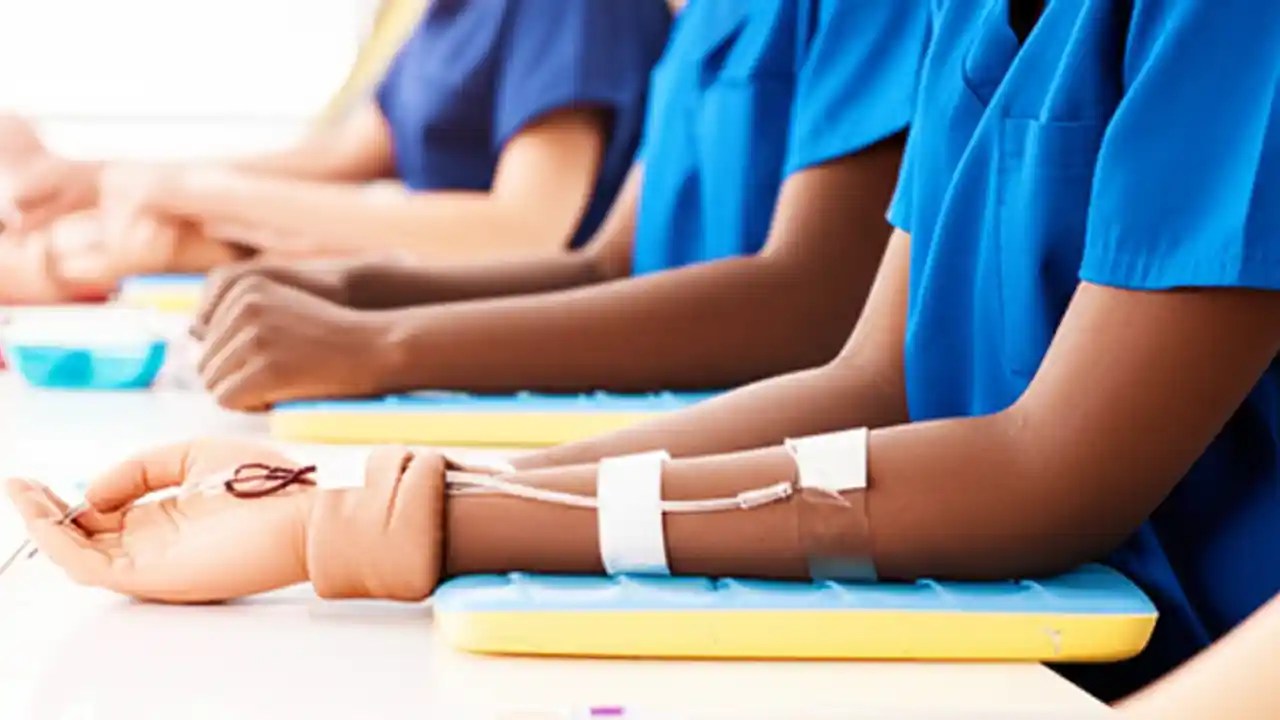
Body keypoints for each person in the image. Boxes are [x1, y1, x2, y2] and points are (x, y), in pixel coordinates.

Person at [10, 0, 1280, 709]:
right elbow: (865, 379)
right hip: (967, 628)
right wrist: (390, 495)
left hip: (1137, 666)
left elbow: (1040, 470)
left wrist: (417, 517)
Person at [191, 0, 928, 409]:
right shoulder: (705, 18)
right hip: (682, 407)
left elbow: (811, 306)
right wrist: (346, 292)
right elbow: (608, 264)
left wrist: (377, 345)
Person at [0, 0, 670, 302]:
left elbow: (526, 230)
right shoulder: (439, 13)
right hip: (422, 290)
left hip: (520, 317)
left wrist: (204, 194)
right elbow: (352, 154)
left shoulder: (571, 9)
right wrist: (108, 180)